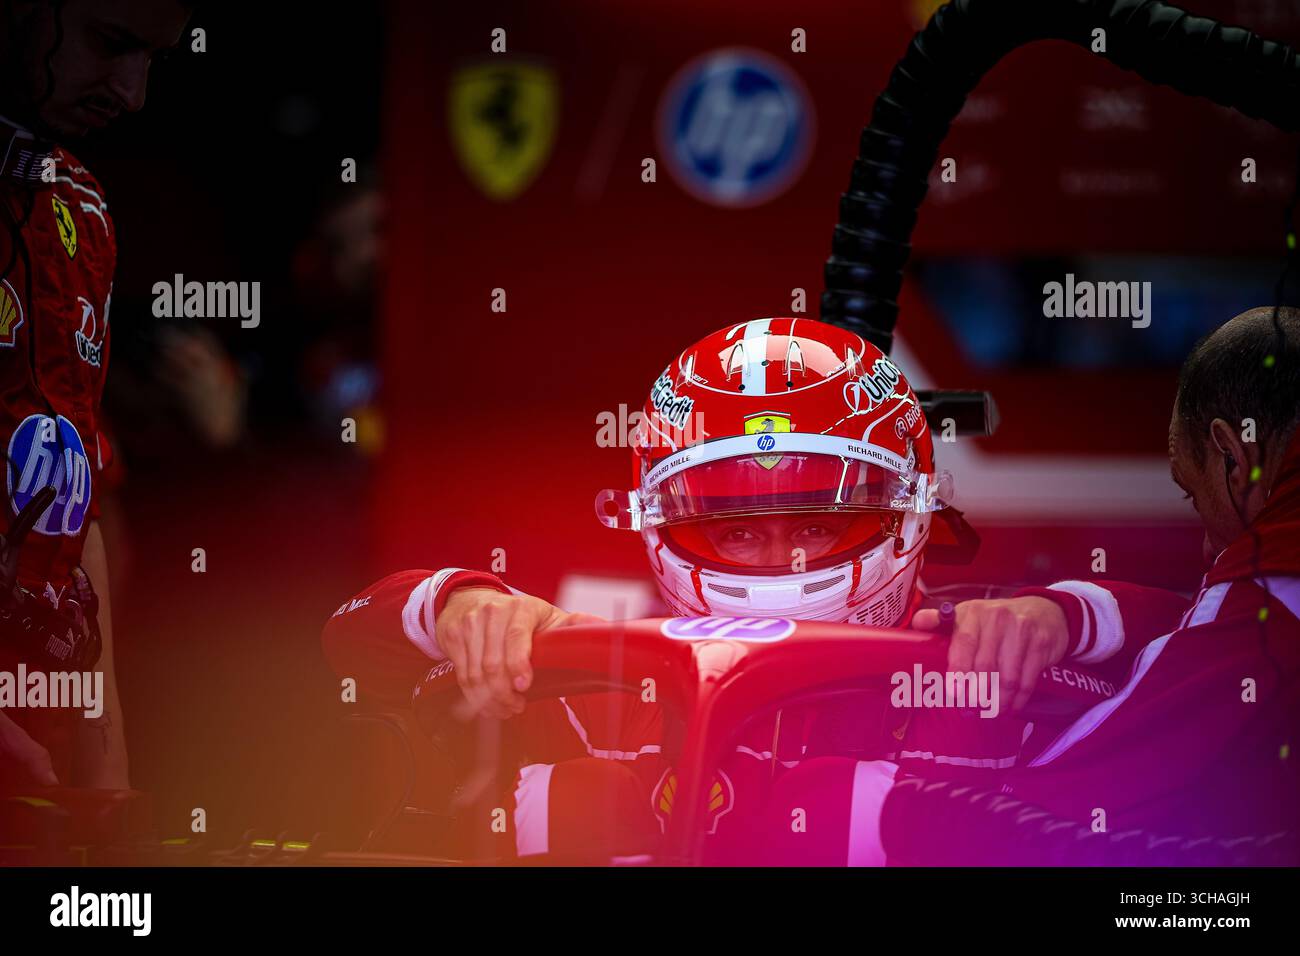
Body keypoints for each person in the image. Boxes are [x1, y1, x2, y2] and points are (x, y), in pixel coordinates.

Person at [323, 317, 1095, 860]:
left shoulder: (986, 661)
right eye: (737, 530)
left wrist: (1066, 616)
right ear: (659, 523)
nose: (781, 559)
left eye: (819, 526)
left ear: (914, 508)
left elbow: (1205, 648)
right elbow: (349, 646)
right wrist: (461, 604)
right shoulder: (601, 668)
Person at [763, 306, 1300, 865]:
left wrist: (877, 811)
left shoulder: (1271, 599)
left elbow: (1077, 842)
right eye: (738, 533)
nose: (1208, 551)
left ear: (1234, 460)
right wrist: (1068, 616)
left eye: (1193, 495)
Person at [0, 0, 191, 790]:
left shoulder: (81, 201)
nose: (133, 91)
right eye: (111, 43)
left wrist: (107, 750)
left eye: (153, 57)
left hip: (43, 718)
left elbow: (84, 506)